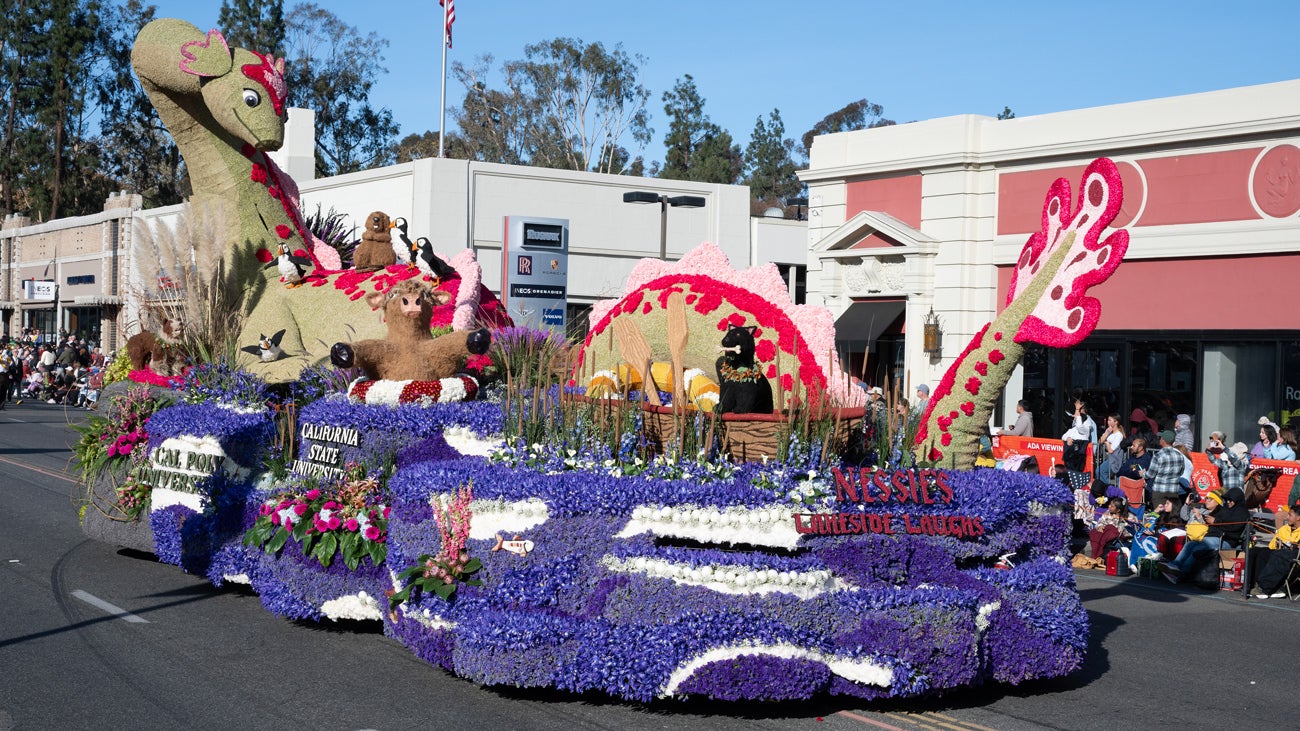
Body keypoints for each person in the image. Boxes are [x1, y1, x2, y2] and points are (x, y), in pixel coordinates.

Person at [1159, 487, 1248, 583]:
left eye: (1231, 500)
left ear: (1237, 500)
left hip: (1226, 540)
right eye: (1227, 500)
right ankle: (1175, 565)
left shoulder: (1242, 512)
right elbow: (1185, 516)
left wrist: (1215, 521)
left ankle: (1181, 573)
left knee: (1198, 547)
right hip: (1214, 537)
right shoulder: (1225, 510)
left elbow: (1235, 527)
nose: (1229, 502)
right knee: (1191, 544)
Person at [1249, 502, 1300, 599]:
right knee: (1259, 552)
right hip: (1281, 551)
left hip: (1295, 556)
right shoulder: (1284, 529)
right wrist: (1277, 543)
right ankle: (1254, 584)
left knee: (1279, 555)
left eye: (1290, 515)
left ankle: (1264, 588)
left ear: (1298, 518)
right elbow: (1271, 545)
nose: (1287, 517)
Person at [1079, 497, 1139, 569]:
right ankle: (1100, 555)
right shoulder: (1107, 513)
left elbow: (1132, 532)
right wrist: (1100, 527)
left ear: (1118, 510)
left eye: (1112, 506)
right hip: (1107, 538)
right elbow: (1100, 522)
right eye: (1110, 504)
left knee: (1110, 531)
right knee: (1094, 533)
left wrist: (1117, 530)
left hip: (1122, 541)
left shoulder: (1130, 517)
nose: (1109, 506)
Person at [1145, 430, 1187, 510]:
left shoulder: (1158, 456)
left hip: (1159, 490)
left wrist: (1143, 474)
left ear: (1163, 441)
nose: (1159, 439)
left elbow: (1151, 474)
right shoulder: (1179, 455)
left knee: (1159, 514)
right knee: (1172, 515)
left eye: (1160, 438)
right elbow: (1181, 472)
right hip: (1173, 490)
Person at [1061, 399, 1096, 472]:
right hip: (1069, 456)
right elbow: (1064, 436)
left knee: (1076, 474)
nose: (1075, 413)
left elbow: (1080, 428)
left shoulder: (1088, 423)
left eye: (1078, 410)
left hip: (1078, 455)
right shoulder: (1074, 427)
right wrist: (1068, 438)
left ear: (1083, 410)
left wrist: (1077, 410)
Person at [1097, 414, 1126, 485]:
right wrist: (1107, 433)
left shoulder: (1119, 435)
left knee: (1100, 471)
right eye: (1108, 420)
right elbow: (1100, 441)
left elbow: (1111, 450)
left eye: (1110, 420)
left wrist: (1107, 444)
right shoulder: (1109, 432)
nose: (1108, 422)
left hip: (1114, 459)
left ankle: (1111, 487)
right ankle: (1107, 487)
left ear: (1116, 422)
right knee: (1100, 472)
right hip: (1108, 458)